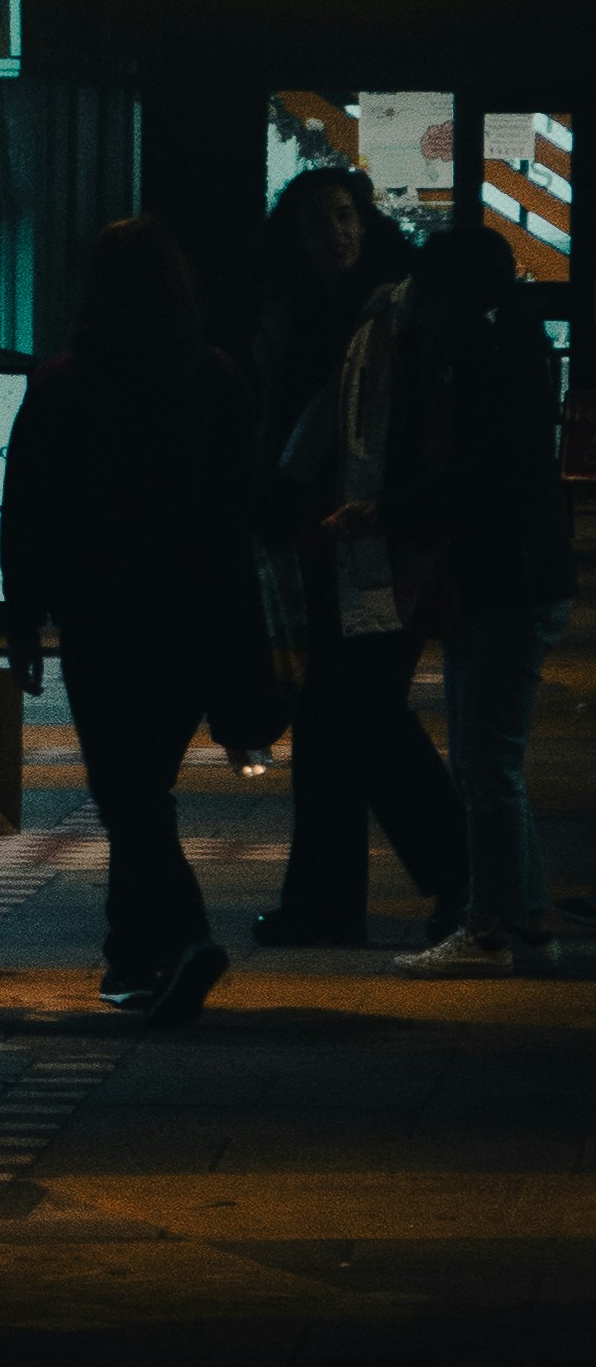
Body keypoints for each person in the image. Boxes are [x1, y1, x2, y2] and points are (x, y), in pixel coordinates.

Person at [2, 219, 265, 1025]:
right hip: (196, 610)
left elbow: (30, 511)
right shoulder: (214, 375)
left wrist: (21, 619)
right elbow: (241, 501)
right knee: (142, 785)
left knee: (129, 792)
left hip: (100, 612)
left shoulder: (63, 383)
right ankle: (131, 954)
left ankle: (180, 939)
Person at [249, 164, 467, 946]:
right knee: (329, 719)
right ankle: (327, 901)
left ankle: (459, 878)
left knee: (365, 715)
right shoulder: (298, 312)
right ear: (295, 236)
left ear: (368, 222)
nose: (337, 233)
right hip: (322, 542)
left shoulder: (394, 309)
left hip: (383, 542)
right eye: (320, 222)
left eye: (347, 217)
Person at [377, 224, 575, 975]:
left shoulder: (484, 365)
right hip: (517, 577)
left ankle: (489, 926)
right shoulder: (515, 351)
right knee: (492, 760)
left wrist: (386, 510)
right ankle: (526, 918)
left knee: (486, 762)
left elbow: (475, 483)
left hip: (504, 582)